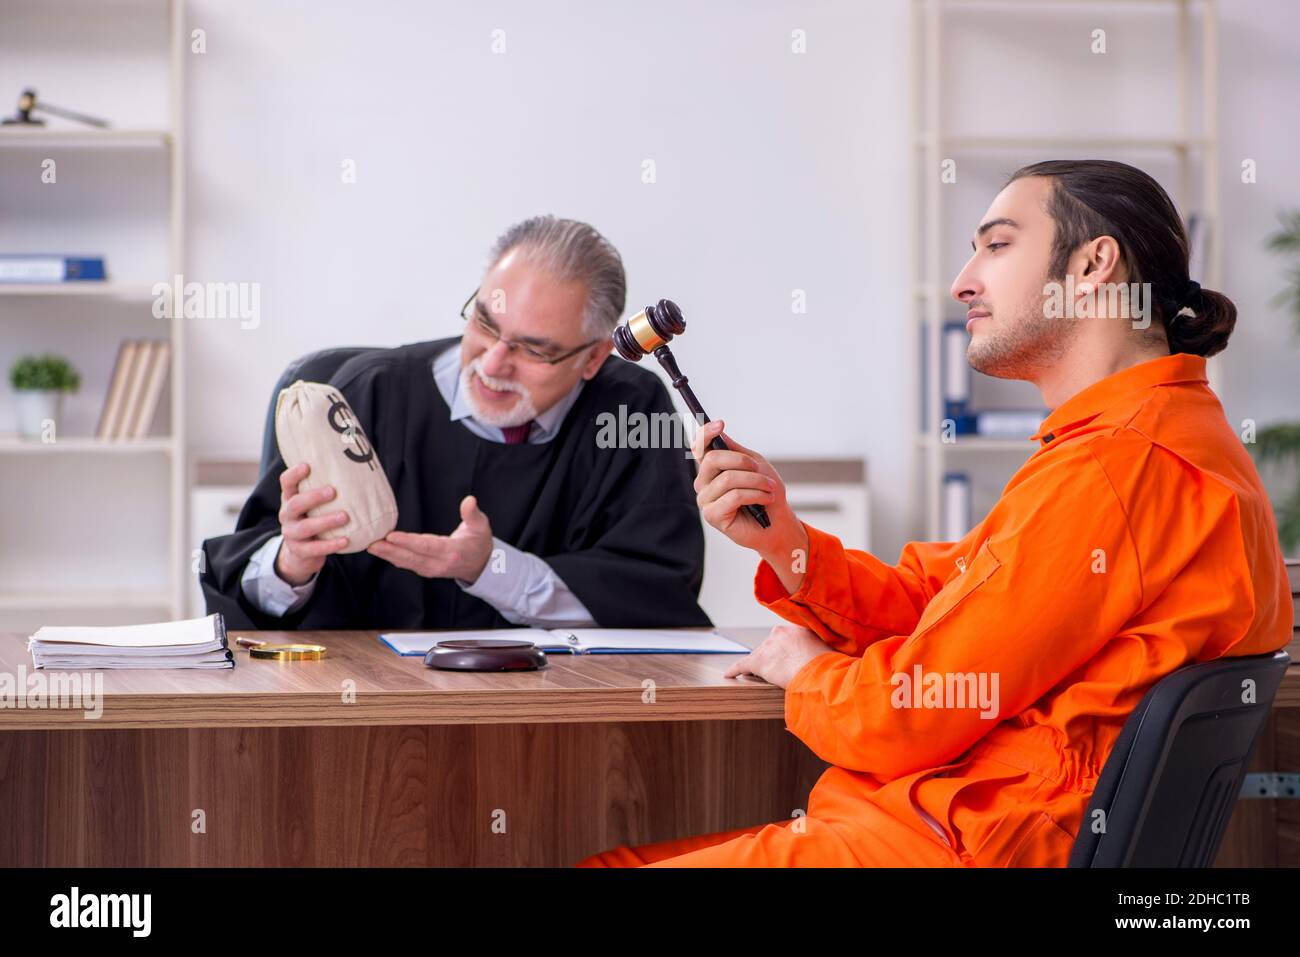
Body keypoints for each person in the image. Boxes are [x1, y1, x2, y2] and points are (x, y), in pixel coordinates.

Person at [579, 159, 1293, 867]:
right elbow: (943, 601)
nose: (963, 281)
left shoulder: (1118, 467)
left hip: (964, 843)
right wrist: (790, 546)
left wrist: (808, 672)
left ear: (1093, 264)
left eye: (997, 244)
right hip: (949, 828)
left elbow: (910, 711)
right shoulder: (1160, 438)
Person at [200, 216, 710, 631]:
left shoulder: (628, 413)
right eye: (486, 324)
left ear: (595, 357)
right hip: (365, 719)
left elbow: (657, 592)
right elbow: (245, 591)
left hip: (553, 720)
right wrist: (293, 563)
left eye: (534, 349)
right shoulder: (366, 393)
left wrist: (490, 567)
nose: (491, 365)